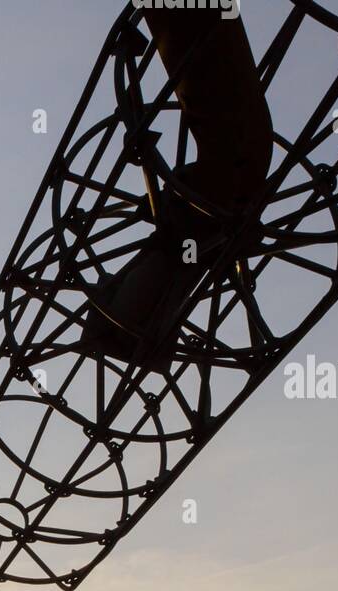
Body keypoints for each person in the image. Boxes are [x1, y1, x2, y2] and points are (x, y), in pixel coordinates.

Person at [81, 8, 273, 370]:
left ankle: (127, 329)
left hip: (198, 223)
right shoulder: (231, 176)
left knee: (180, 251)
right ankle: (127, 329)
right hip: (200, 221)